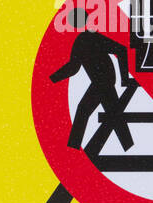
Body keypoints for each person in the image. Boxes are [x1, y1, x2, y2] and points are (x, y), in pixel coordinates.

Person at [50, 9, 134, 151]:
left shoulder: (88, 39)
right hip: (103, 81)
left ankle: (72, 148)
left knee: (83, 109)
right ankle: (129, 146)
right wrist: (53, 78)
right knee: (114, 114)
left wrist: (124, 79)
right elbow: (74, 67)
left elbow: (121, 50)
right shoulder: (85, 39)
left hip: (102, 82)